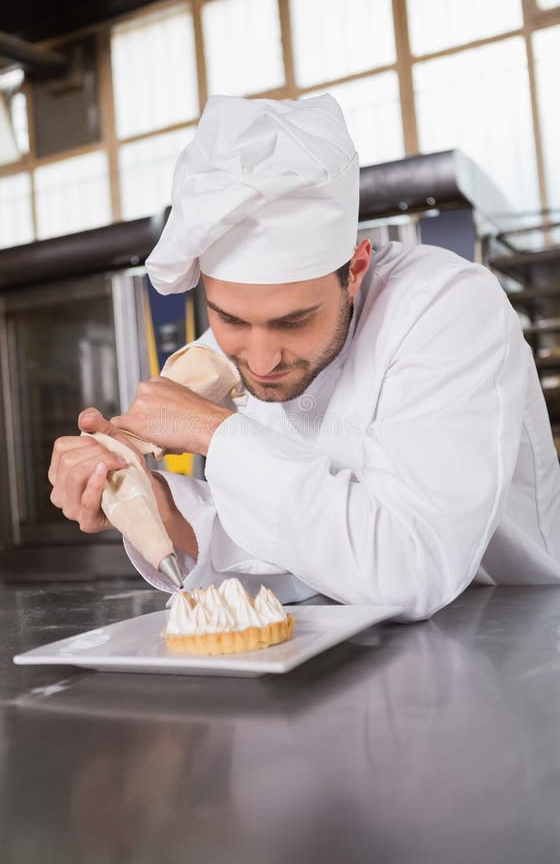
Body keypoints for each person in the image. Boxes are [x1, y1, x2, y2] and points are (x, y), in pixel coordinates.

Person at [48, 94, 560, 620]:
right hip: (357, 646)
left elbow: (411, 567)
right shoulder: (234, 357)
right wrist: (156, 505)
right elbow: (296, 549)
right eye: (230, 319)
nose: (262, 358)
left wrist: (215, 430)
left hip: (513, 630)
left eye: (293, 321)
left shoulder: (449, 309)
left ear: (355, 270)